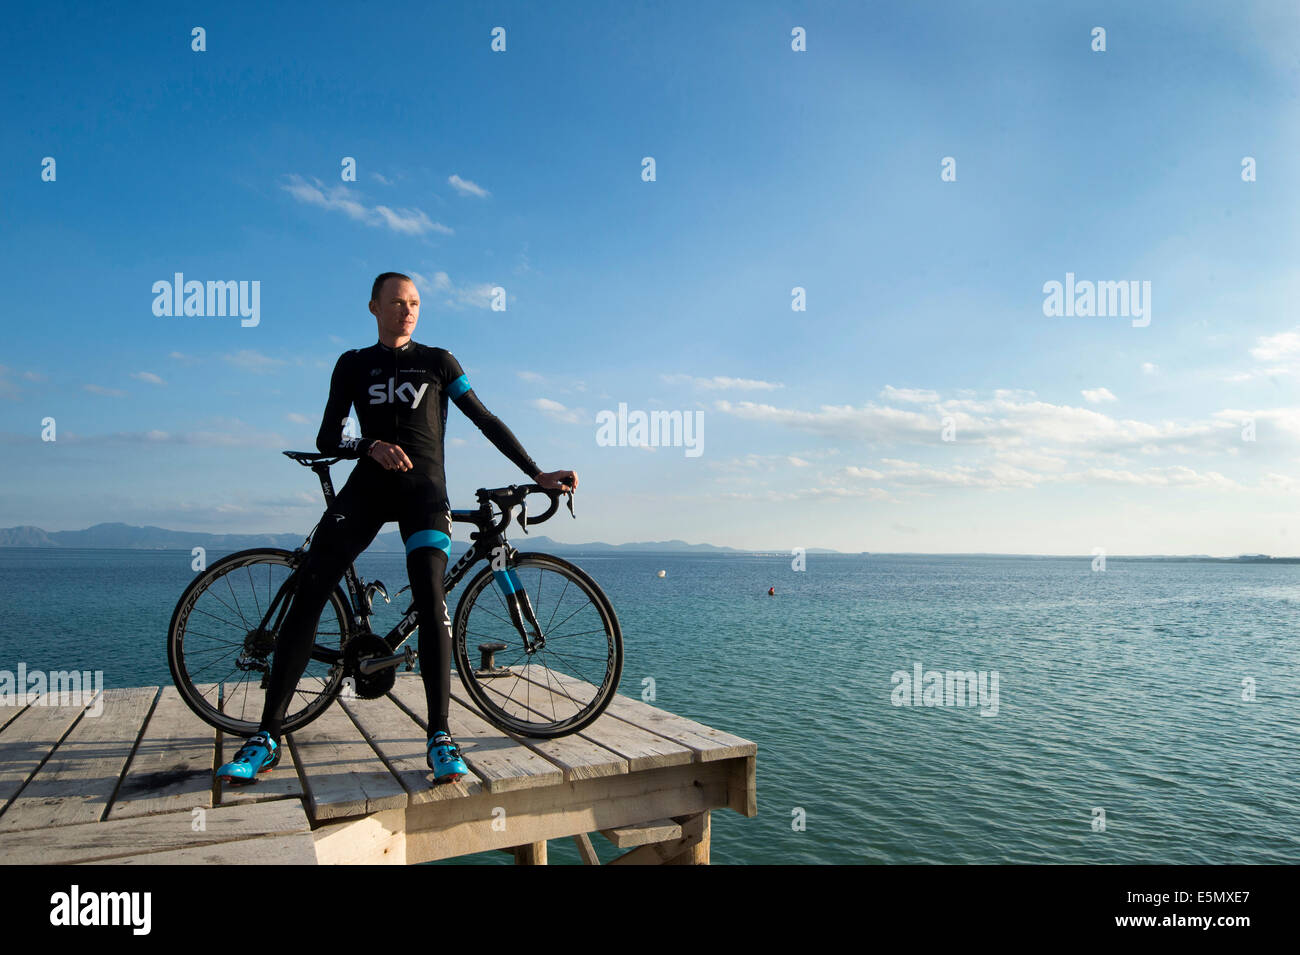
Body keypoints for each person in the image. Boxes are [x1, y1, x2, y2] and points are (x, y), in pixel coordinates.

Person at [217, 272, 577, 785]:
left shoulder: (438, 361)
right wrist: (369, 446)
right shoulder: (353, 363)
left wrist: (537, 472)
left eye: (414, 303)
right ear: (374, 307)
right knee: (311, 591)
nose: (407, 310)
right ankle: (266, 736)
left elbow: (484, 417)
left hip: (424, 494)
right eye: (397, 302)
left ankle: (439, 737)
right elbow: (327, 435)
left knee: (431, 601)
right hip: (366, 488)